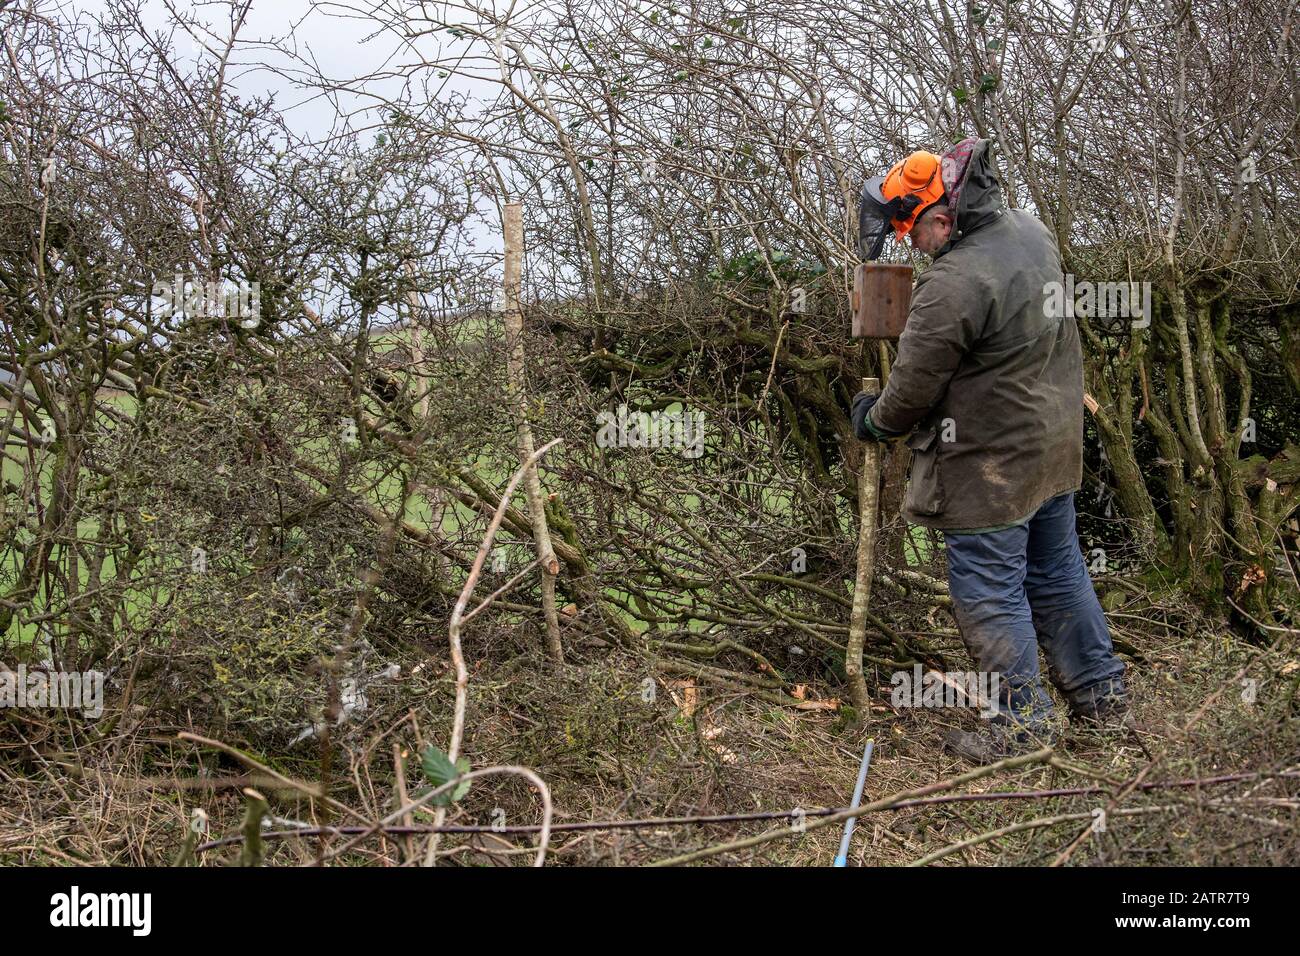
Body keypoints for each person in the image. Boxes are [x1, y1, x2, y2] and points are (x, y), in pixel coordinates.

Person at [852, 138, 1129, 762]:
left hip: (990, 468)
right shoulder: (1029, 231)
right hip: (1052, 448)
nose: (908, 246)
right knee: (1058, 573)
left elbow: (912, 390)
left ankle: (1022, 728)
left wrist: (875, 421)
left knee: (989, 589)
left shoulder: (953, 282)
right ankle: (1102, 701)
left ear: (943, 217)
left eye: (912, 232)